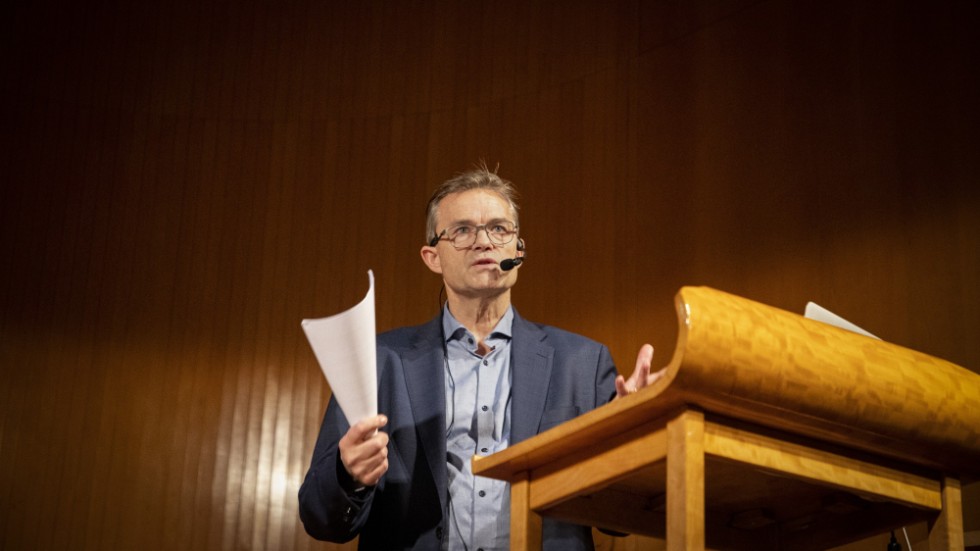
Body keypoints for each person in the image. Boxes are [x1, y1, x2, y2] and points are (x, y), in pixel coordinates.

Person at [298, 165, 659, 550]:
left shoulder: (583, 363)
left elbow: (620, 521)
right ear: (432, 256)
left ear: (518, 251)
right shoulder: (378, 362)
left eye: (500, 229)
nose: (485, 242)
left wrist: (634, 438)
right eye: (463, 230)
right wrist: (349, 474)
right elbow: (321, 519)